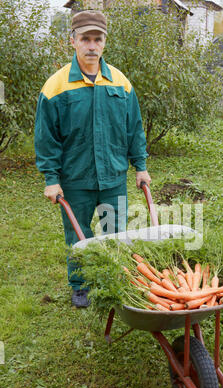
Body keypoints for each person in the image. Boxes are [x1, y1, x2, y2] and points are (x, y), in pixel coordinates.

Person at [35, 10, 151, 308]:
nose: (91, 45)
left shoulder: (121, 84)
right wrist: (51, 179)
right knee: (79, 237)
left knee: (115, 234)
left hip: (113, 177)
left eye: (97, 39)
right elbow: (46, 138)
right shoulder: (56, 86)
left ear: (104, 43)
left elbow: (134, 128)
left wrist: (141, 167)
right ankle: (81, 286)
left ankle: (112, 279)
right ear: (72, 41)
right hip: (75, 179)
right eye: (85, 38)